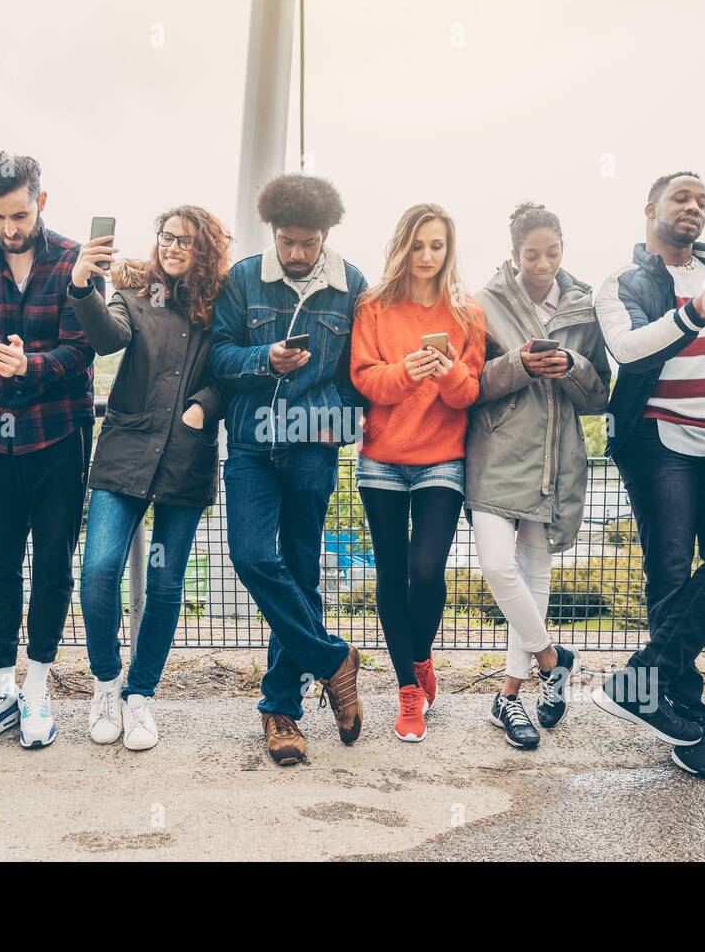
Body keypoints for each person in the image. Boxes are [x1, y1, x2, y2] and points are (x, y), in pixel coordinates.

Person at [589, 171, 705, 779]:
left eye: (702, 201)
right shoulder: (622, 282)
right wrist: (696, 311)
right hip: (658, 438)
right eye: (681, 198)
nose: (693, 208)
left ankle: (637, 683)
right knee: (668, 576)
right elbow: (630, 348)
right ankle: (685, 717)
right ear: (651, 209)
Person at [209, 173, 368, 766]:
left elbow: (359, 376)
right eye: (287, 241)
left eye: (307, 242)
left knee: (301, 571)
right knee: (251, 556)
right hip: (251, 441)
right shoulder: (243, 278)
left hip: (312, 444)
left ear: (325, 234)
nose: (297, 252)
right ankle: (333, 661)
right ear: (272, 232)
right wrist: (263, 359)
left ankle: (282, 712)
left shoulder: (352, 286)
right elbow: (219, 355)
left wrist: (338, 426)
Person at [0, 152, 94, 752]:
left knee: (55, 563)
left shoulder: (75, 260)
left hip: (59, 433)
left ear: (41, 201)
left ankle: (38, 685)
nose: (9, 228)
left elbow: (84, 350)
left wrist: (29, 365)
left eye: (18, 214)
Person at [70, 205, 231, 751]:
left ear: (204, 249)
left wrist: (204, 406)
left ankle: (141, 697)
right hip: (125, 452)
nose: (174, 247)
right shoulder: (136, 292)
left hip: (186, 458)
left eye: (187, 241)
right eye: (168, 237)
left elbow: (230, 369)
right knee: (98, 573)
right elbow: (107, 339)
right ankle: (106, 684)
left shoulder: (220, 307)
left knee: (164, 586)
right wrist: (82, 287)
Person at [468, 203, 610, 750]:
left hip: (556, 461)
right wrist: (518, 365)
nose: (543, 263)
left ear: (563, 249)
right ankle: (553, 660)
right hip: (494, 454)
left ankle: (509, 697)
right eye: (532, 255)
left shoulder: (585, 307)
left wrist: (572, 367)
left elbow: (599, 396)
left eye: (552, 253)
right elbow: (469, 385)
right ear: (513, 254)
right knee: (499, 567)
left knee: (534, 579)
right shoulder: (482, 305)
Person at [350, 203, 484, 742]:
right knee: (390, 572)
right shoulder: (374, 308)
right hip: (382, 458)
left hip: (441, 459)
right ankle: (408, 690)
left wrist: (449, 375)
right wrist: (404, 374)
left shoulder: (468, 314)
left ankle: (421, 655)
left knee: (426, 571)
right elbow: (364, 379)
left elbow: (470, 393)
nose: (428, 256)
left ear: (449, 250)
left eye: (438, 246)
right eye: (419, 245)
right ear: (402, 246)